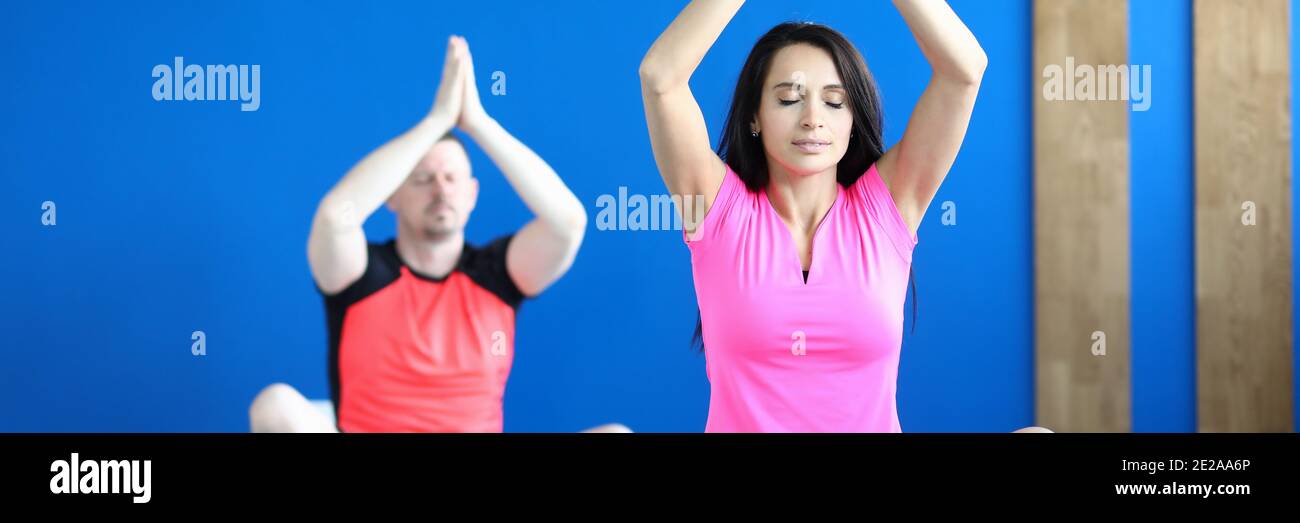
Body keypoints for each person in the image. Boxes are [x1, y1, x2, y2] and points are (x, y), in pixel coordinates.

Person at [640, 0, 1049, 433]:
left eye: (835, 102)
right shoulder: (715, 210)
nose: (813, 119)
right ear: (755, 117)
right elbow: (660, 78)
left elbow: (965, 71)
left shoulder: (888, 206)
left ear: (853, 121)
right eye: (789, 98)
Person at [250, 36, 626, 433]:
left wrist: (477, 122)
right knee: (276, 407)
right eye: (423, 179)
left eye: (452, 178)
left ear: (472, 195)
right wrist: (436, 122)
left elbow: (568, 223)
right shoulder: (359, 274)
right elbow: (334, 219)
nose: (441, 190)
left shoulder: (497, 276)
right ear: (391, 195)